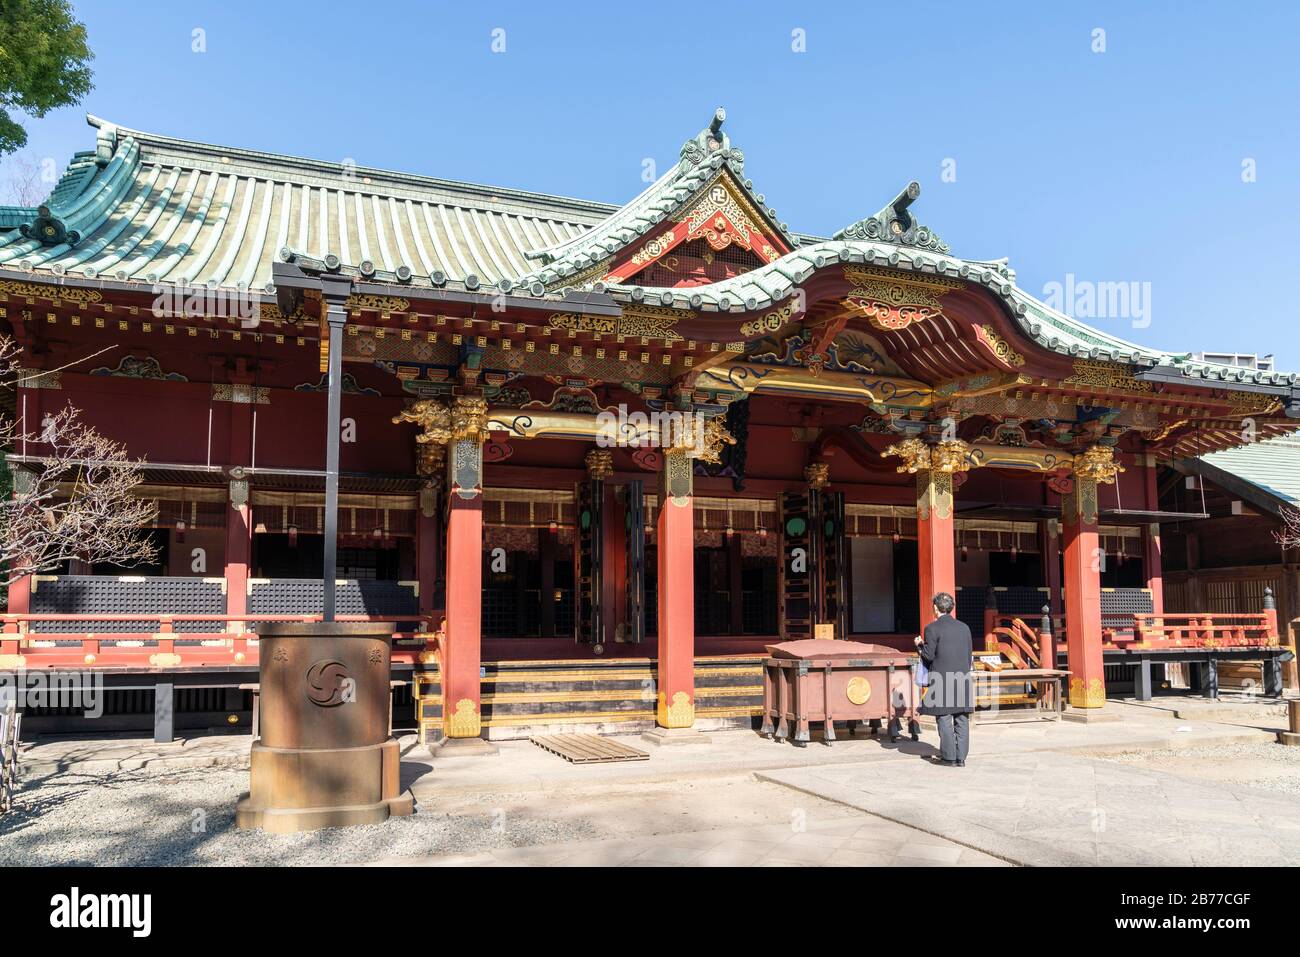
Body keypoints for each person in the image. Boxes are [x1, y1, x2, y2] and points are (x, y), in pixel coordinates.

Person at [913, 592, 973, 767]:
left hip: (941, 678)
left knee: (944, 717)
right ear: (951, 608)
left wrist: (919, 645)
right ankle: (961, 758)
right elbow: (969, 654)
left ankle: (948, 757)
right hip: (962, 677)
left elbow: (928, 656)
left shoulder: (932, 628)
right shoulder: (964, 628)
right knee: (961, 718)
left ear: (935, 608)